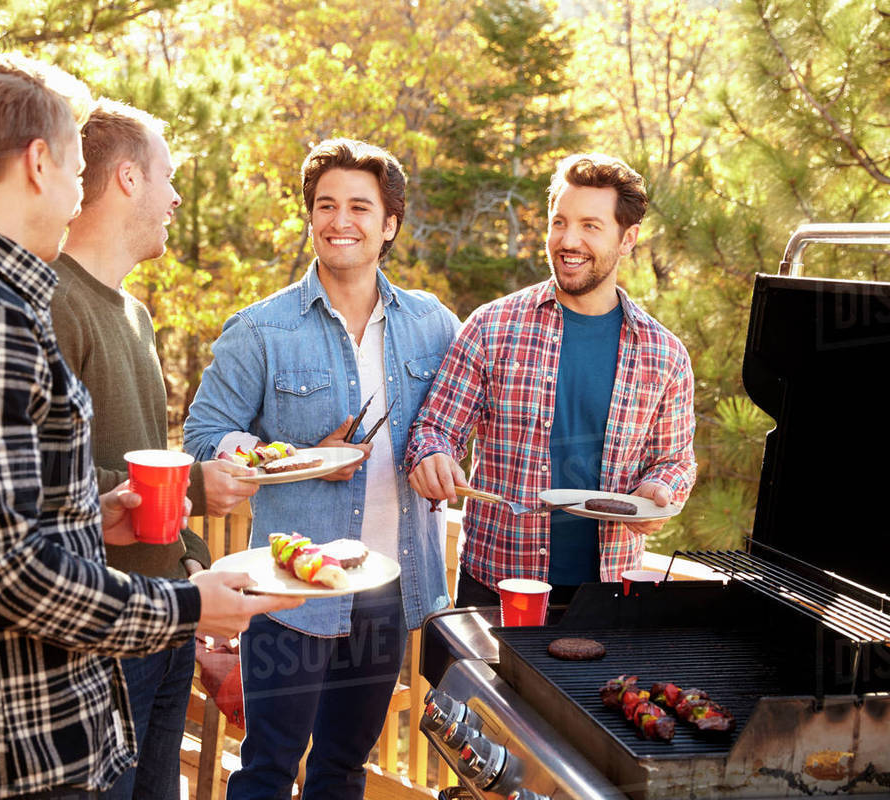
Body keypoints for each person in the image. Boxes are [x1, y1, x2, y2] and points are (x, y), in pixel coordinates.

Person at [0, 54, 298, 800]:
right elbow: (1, 572)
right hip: (7, 751)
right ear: (38, 162)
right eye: (75, 165)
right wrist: (190, 605)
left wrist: (91, 513)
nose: (77, 190)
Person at [183, 138, 460, 800]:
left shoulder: (434, 325)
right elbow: (202, 436)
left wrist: (447, 456)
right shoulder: (261, 329)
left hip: (387, 590)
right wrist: (292, 459)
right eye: (326, 205)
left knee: (344, 767)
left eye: (360, 207)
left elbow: (460, 419)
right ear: (310, 217)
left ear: (389, 224)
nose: (341, 221)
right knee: (269, 765)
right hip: (289, 592)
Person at [48, 99, 260, 800]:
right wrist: (195, 486)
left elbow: (141, 463)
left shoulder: (133, 313)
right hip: (102, 637)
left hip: (166, 619)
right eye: (168, 177)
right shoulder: (52, 301)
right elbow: (49, 481)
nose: (175, 198)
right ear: (128, 179)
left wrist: (194, 566)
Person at [405, 152, 696, 609]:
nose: (569, 239)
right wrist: (432, 455)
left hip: (608, 593)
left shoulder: (665, 355)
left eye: (590, 226)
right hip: (496, 584)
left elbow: (675, 460)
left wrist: (661, 489)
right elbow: (432, 429)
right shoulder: (492, 326)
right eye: (559, 222)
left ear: (628, 239)